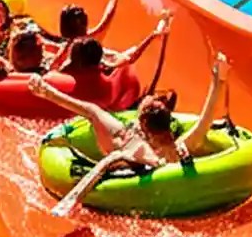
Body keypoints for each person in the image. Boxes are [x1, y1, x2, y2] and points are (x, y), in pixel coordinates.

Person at [28, 52, 232, 218]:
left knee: (102, 125)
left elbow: (108, 151)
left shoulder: (141, 148)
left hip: (135, 162)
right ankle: (47, 92)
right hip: (145, 162)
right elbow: (207, 115)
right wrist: (218, 78)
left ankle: (46, 92)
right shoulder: (186, 143)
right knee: (107, 129)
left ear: (143, 126)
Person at [53, 10, 173, 74]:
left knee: (125, 54)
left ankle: (157, 32)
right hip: (94, 65)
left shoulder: (66, 53)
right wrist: (152, 36)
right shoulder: (102, 66)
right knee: (127, 56)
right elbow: (131, 58)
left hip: (88, 61)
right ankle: (158, 31)